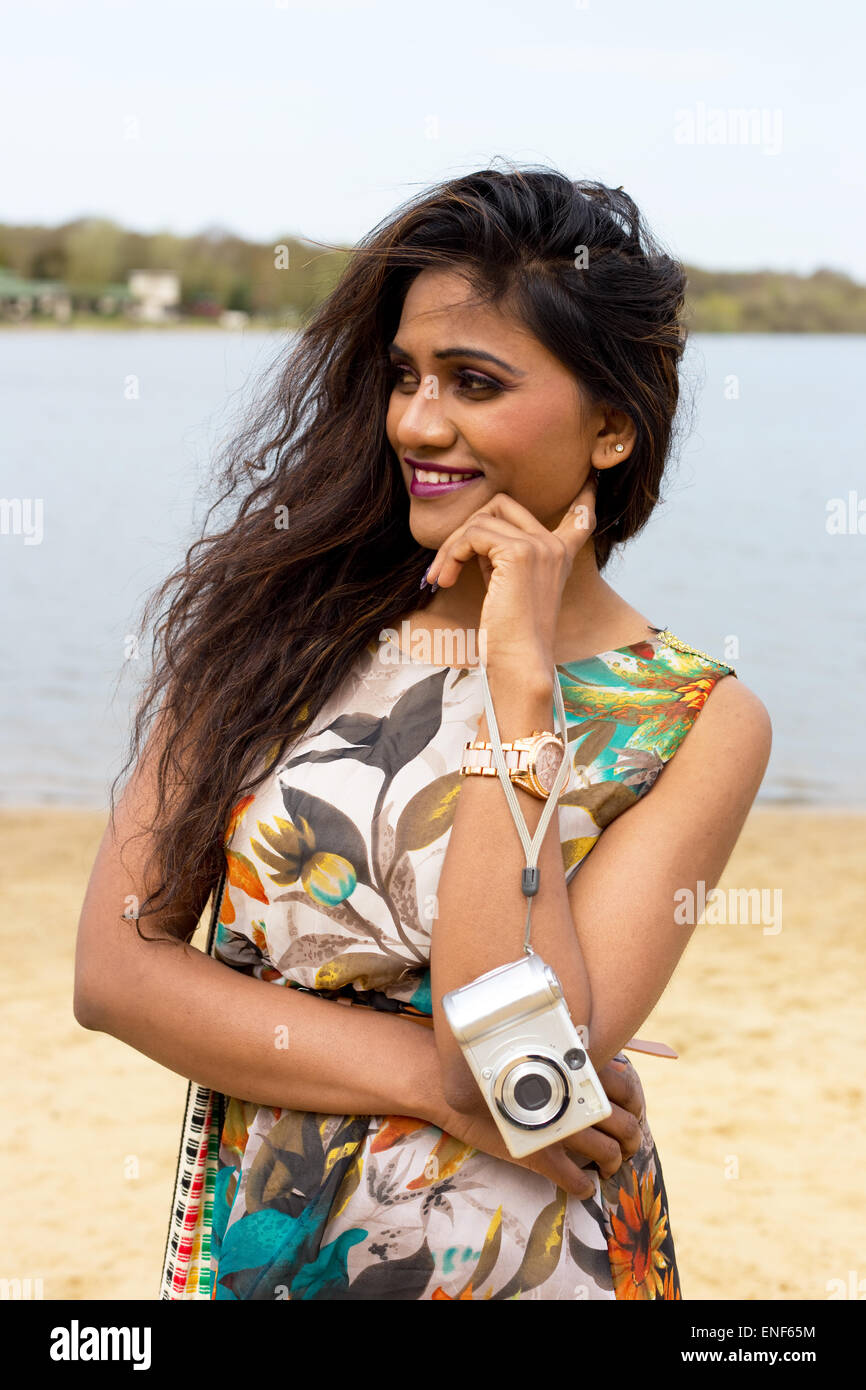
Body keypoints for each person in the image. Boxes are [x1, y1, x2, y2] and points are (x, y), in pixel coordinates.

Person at [74, 165, 772, 1301]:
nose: (416, 419)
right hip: (275, 1252)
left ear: (610, 427)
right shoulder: (273, 628)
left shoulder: (694, 719)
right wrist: (438, 1084)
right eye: (404, 375)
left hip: (541, 1264)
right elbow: (114, 971)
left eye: (473, 380)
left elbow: (513, 1059)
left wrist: (516, 688)